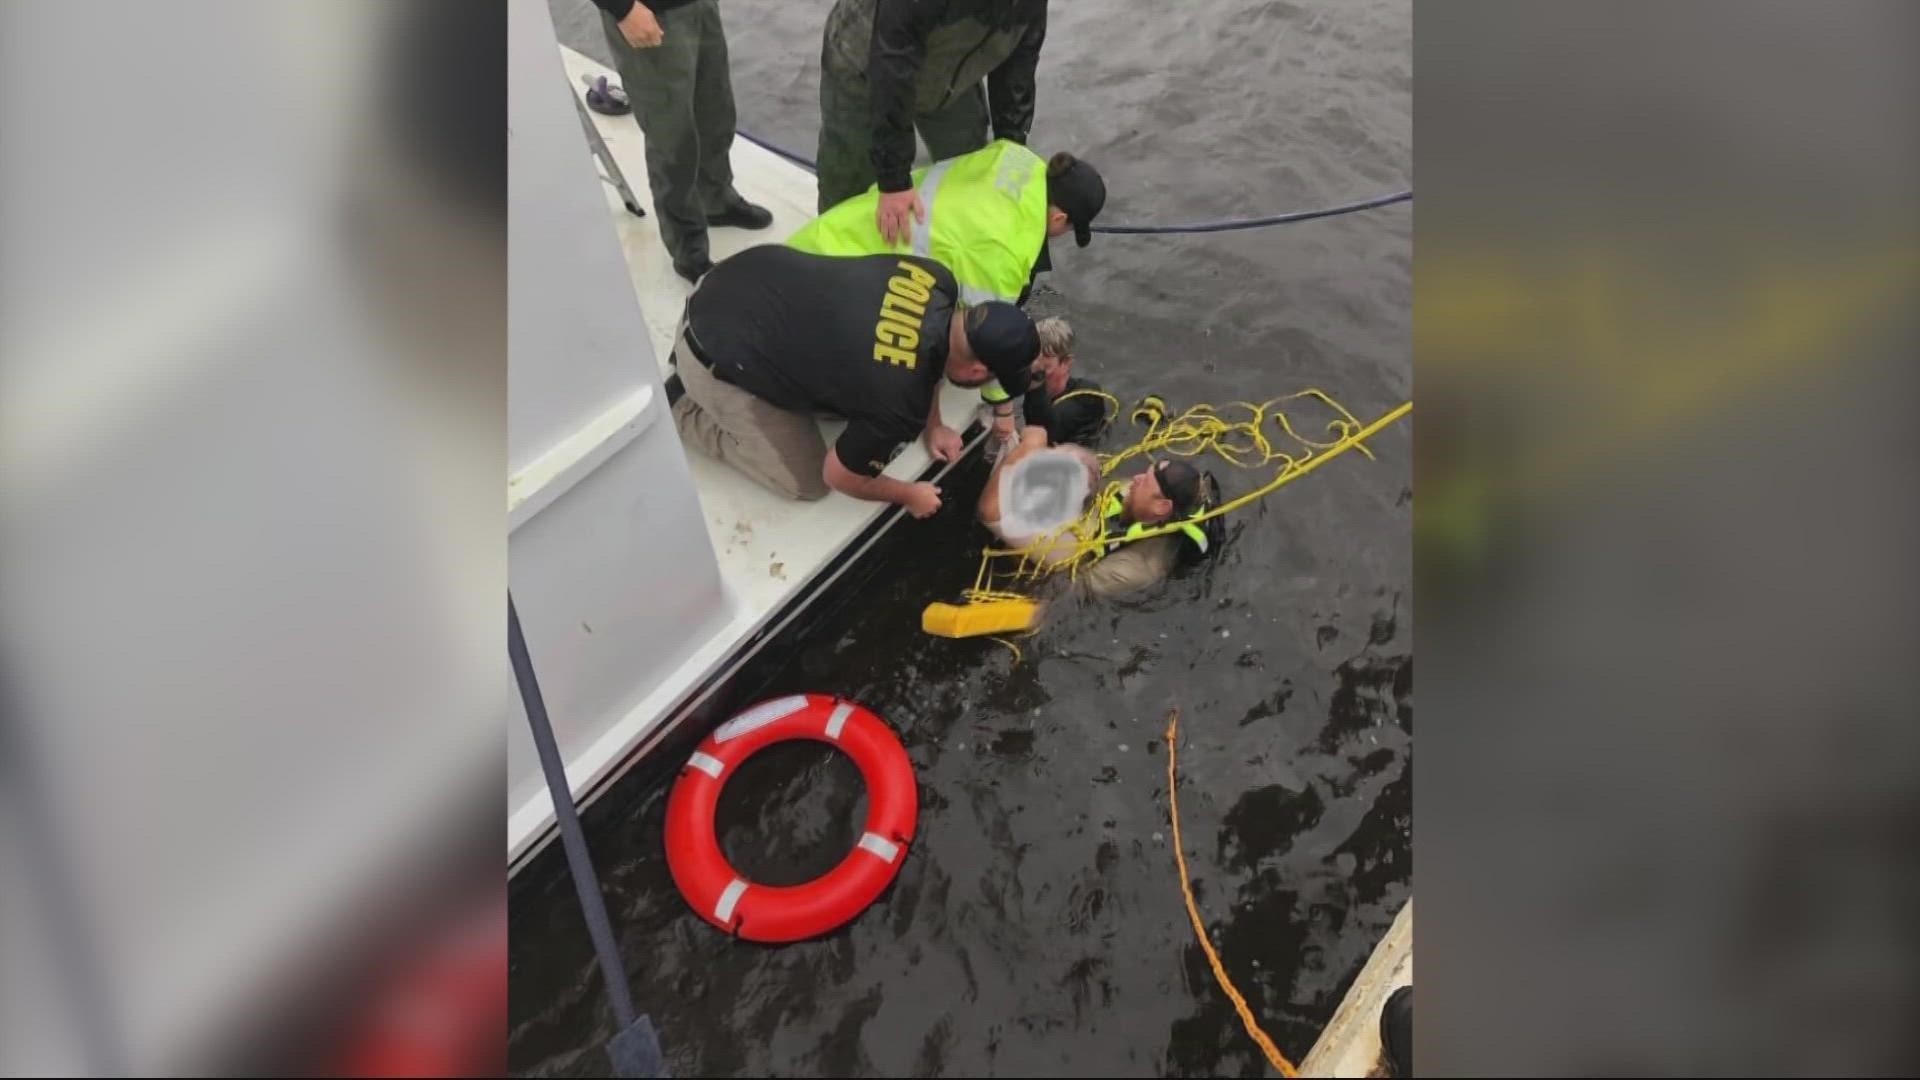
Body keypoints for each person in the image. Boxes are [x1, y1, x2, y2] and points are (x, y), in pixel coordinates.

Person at [668, 245, 1038, 516]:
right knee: (808, 483)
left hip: (733, 276)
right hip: (711, 350)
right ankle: (682, 405)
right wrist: (909, 495)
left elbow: (925, 352)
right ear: (977, 372)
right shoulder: (899, 406)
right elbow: (840, 475)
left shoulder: (935, 278)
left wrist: (936, 425)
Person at [787, 139, 1105, 310]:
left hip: (835, 231)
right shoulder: (1004, 252)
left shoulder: (1013, 155)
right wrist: (1003, 407)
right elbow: (983, 330)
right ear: (1059, 218)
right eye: (1067, 231)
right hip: (828, 283)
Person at [592, 0, 774, 284]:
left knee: (715, 114)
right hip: (648, 12)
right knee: (672, 137)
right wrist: (623, 9)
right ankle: (687, 246)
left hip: (699, 7)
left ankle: (716, 200)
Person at [813, 0, 1049, 216]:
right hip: (865, 65)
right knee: (847, 184)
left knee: (972, 170)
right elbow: (892, 62)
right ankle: (829, 256)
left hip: (950, 74)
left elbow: (1019, 64)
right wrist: (894, 182)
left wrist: (1011, 150)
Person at [977, 436, 1219, 598]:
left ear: (1161, 508)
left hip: (1087, 567)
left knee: (995, 513)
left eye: (1145, 481)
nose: (1136, 479)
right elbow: (1104, 492)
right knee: (1076, 460)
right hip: (1095, 533)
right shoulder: (1132, 493)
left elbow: (1066, 588)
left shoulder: (1132, 569)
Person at [1018, 316, 1110, 447]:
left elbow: (1043, 434)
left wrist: (1035, 379)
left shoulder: (1086, 397)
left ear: (1066, 363)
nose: (1032, 371)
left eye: (1045, 368)